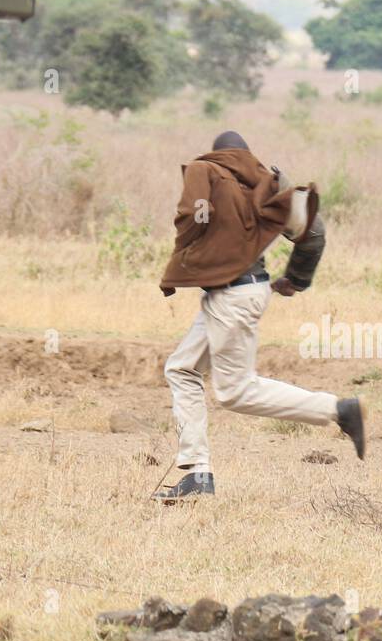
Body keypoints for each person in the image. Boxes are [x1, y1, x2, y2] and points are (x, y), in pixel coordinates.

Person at [153, 131, 366, 501]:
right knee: (181, 368)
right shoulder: (265, 181)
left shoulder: (205, 169)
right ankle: (197, 473)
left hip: (231, 297)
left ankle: (338, 409)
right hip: (245, 291)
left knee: (236, 392)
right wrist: (296, 279)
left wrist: (184, 258)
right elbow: (312, 232)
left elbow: (192, 214)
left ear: (218, 154)